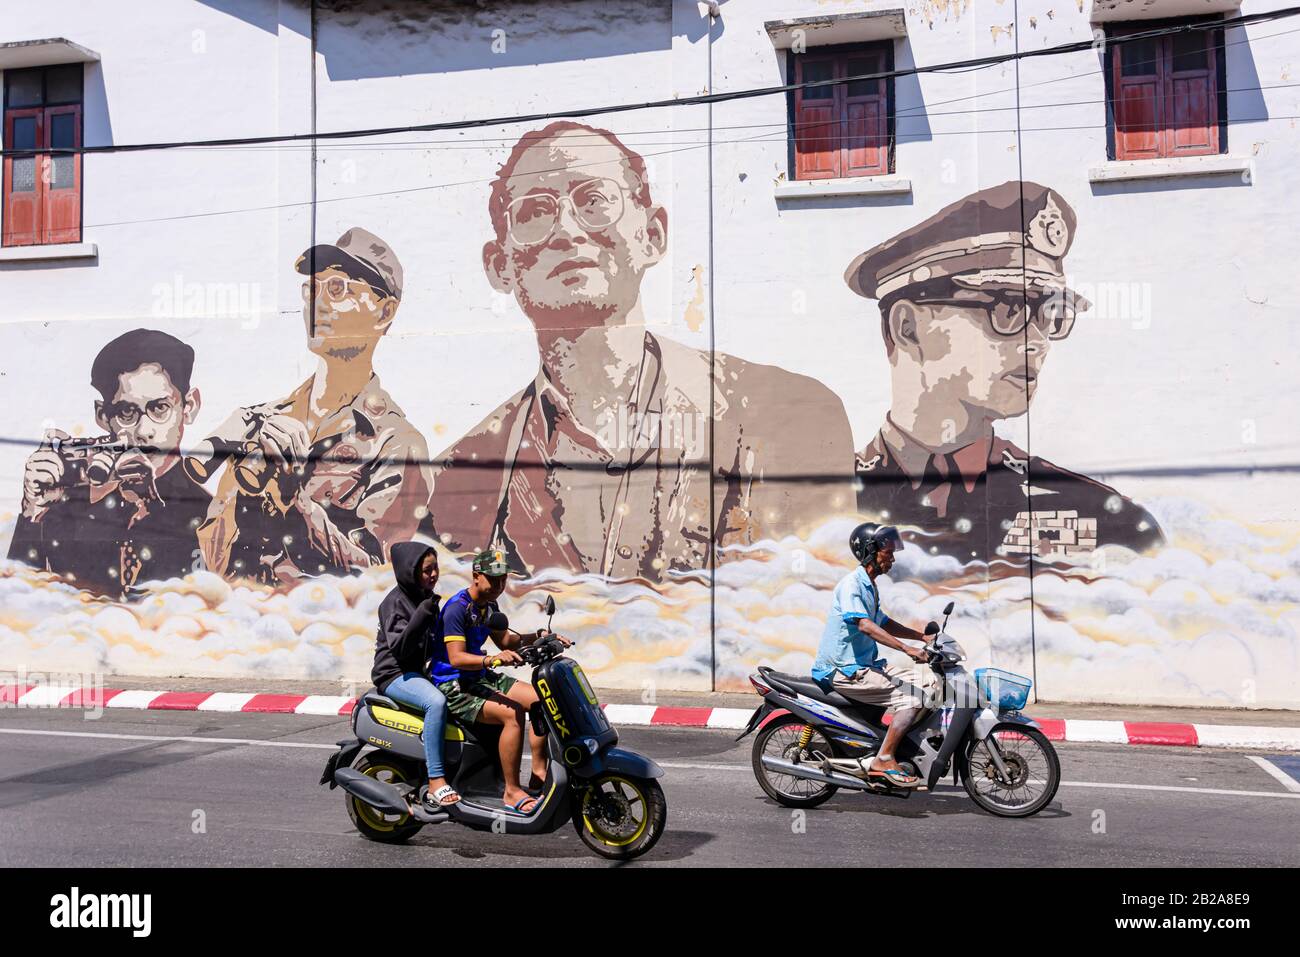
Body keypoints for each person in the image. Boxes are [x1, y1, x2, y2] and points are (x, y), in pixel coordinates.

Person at [427, 120, 855, 581]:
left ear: (653, 235)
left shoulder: (785, 416)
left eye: (595, 201)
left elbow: (801, 612)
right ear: (500, 265)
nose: (567, 230)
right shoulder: (461, 473)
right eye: (533, 212)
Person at [844, 182, 1163, 564]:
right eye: (1008, 309)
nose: (1039, 341)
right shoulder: (828, 499)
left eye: (1049, 315)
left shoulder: (1108, 521)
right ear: (908, 326)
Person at [188, 227, 433, 584]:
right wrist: (249, 490)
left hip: (324, 633)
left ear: (384, 312)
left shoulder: (397, 443)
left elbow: (378, 576)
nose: (317, 304)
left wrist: (295, 496)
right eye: (312, 290)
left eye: (338, 288)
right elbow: (213, 559)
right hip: (243, 626)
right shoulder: (264, 421)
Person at [8, 328, 211, 598]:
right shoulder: (64, 512)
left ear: (189, 407)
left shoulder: (213, 517)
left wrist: (150, 506)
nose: (144, 430)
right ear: (103, 416)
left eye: (159, 408)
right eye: (127, 412)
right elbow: (14, 607)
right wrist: (32, 514)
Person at [431, 548, 569, 814]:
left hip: (480, 676)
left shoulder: (488, 606)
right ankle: (511, 791)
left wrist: (542, 636)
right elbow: (456, 658)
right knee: (513, 714)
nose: (499, 585)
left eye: (503, 579)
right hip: (454, 684)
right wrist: (492, 660)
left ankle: (538, 774)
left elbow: (506, 640)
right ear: (476, 576)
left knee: (543, 701)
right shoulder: (456, 609)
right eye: (493, 579)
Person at [811, 522, 939, 788]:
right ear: (870, 551)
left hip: (868, 666)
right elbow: (864, 625)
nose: (892, 558)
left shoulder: (869, 586)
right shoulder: (851, 585)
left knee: (930, 683)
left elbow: (881, 621)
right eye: (887, 553)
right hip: (846, 671)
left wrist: (921, 637)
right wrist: (907, 649)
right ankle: (884, 757)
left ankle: (902, 743)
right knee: (912, 698)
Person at [371, 541, 459, 810]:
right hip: (394, 674)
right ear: (410, 571)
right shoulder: (394, 603)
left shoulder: (424, 597)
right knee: (436, 702)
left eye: (436, 569)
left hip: (417, 672)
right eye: (426, 570)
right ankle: (436, 780)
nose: (433, 575)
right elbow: (401, 648)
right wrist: (422, 614)